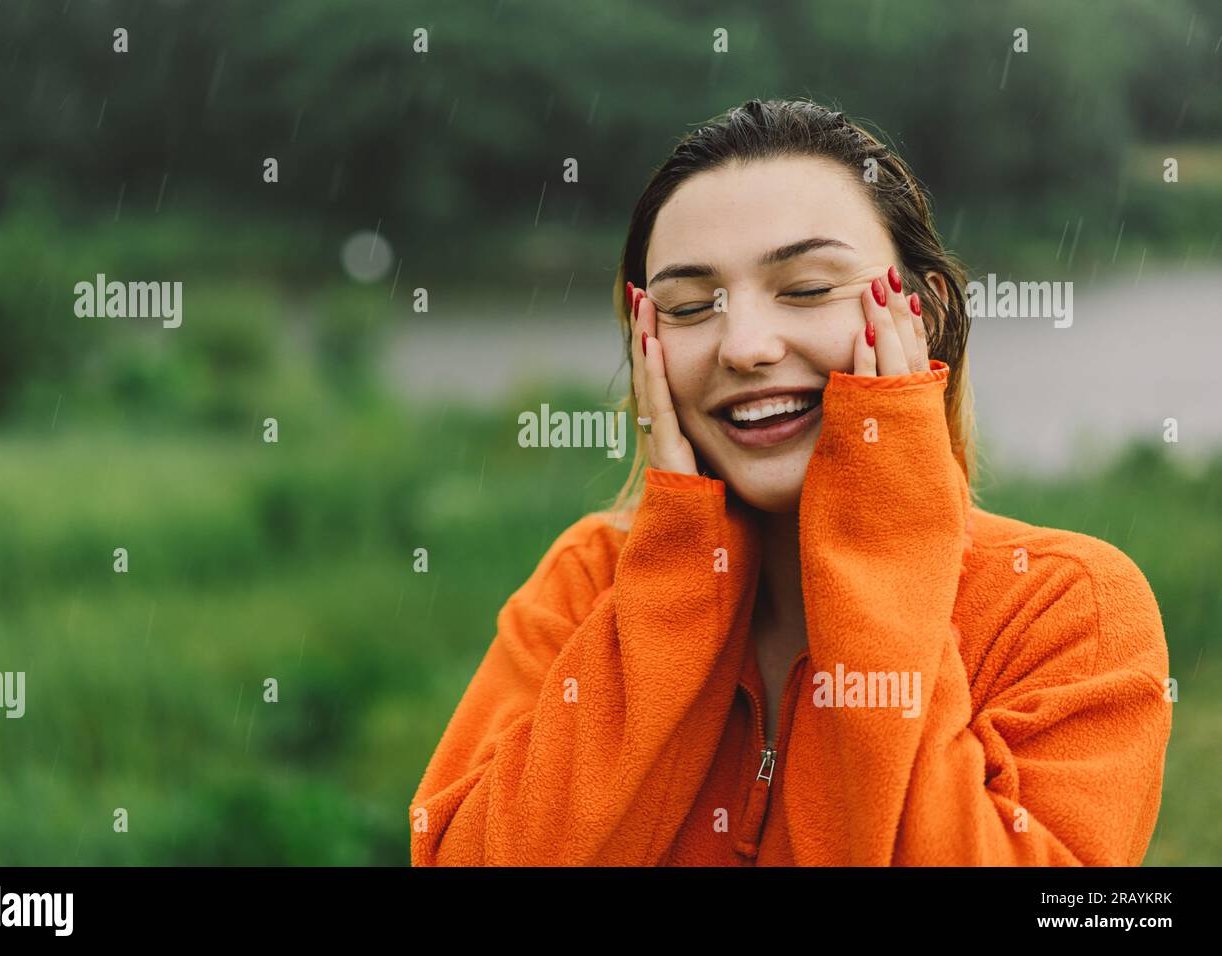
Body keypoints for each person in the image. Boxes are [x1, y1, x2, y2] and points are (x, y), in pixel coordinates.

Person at [408, 98, 1172, 866]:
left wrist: (884, 532)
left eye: (806, 289)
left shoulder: (1063, 610)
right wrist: (674, 578)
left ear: (927, 313)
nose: (743, 346)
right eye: (688, 305)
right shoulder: (588, 582)